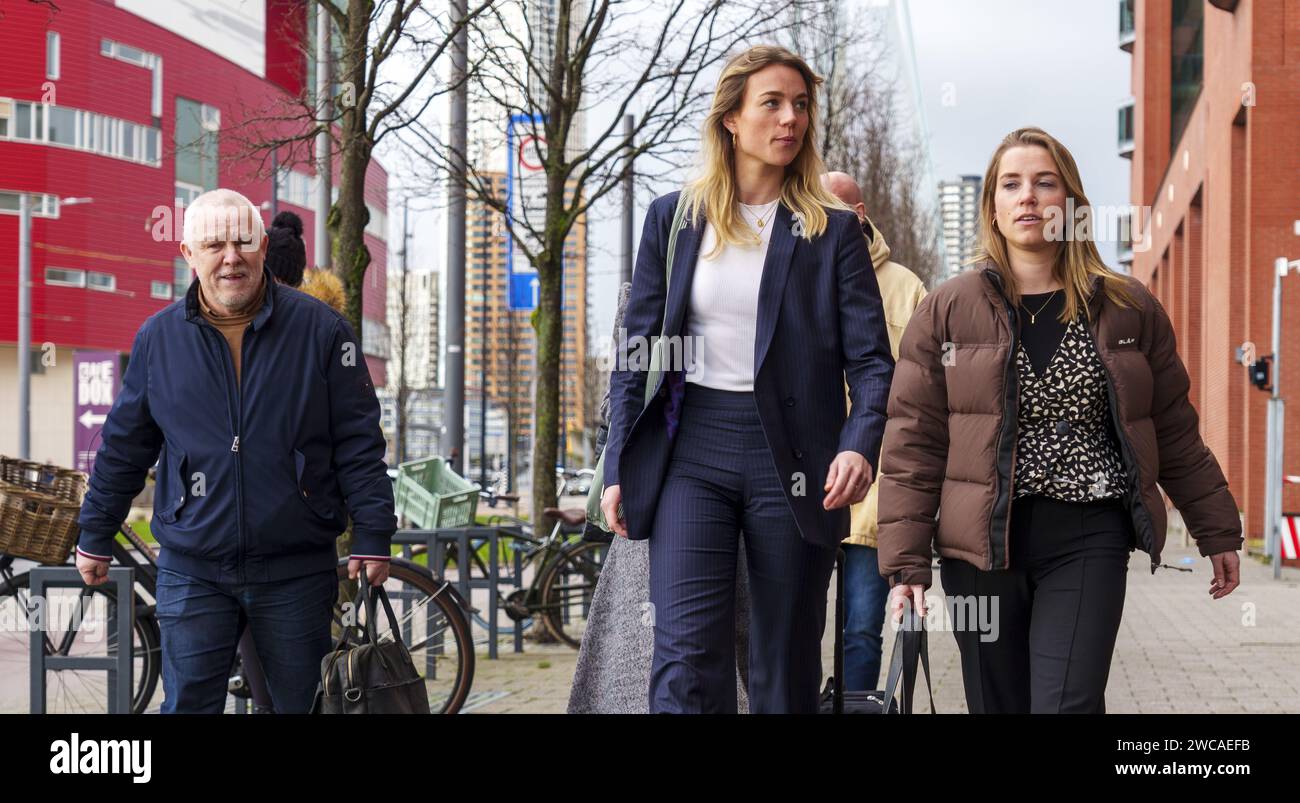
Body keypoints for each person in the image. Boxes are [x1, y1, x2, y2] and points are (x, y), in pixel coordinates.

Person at [876, 127, 1243, 714]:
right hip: (979, 551)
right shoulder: (947, 309)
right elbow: (913, 442)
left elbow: (1172, 427)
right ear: (992, 207)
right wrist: (905, 564)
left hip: (1087, 536)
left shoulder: (1127, 307)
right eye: (1011, 184)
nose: (1028, 197)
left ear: (1070, 203)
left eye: (1045, 183)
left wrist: (1217, 529)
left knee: (1067, 703)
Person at [600, 45, 894, 714]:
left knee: (783, 661)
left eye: (800, 105)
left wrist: (859, 444)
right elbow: (637, 355)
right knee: (683, 657)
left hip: (792, 460)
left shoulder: (834, 231)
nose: (790, 118)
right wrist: (618, 462)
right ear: (731, 117)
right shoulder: (673, 220)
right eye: (772, 103)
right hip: (689, 454)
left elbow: (875, 363)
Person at [74, 188, 396, 714]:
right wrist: (94, 533)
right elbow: (124, 447)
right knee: (189, 706)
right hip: (193, 566)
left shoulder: (321, 330)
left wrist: (374, 533)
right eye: (214, 244)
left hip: (296, 567)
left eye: (243, 241)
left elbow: (358, 442)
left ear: (263, 246)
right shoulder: (158, 339)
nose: (230, 256)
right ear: (188, 254)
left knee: (304, 707)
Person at [819, 171, 927, 692]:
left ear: (859, 213)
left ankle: (858, 705)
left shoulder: (907, 291)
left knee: (861, 627)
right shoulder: (796, 276)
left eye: (830, 207)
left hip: (875, 493)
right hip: (805, 490)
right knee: (795, 625)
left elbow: (929, 397)